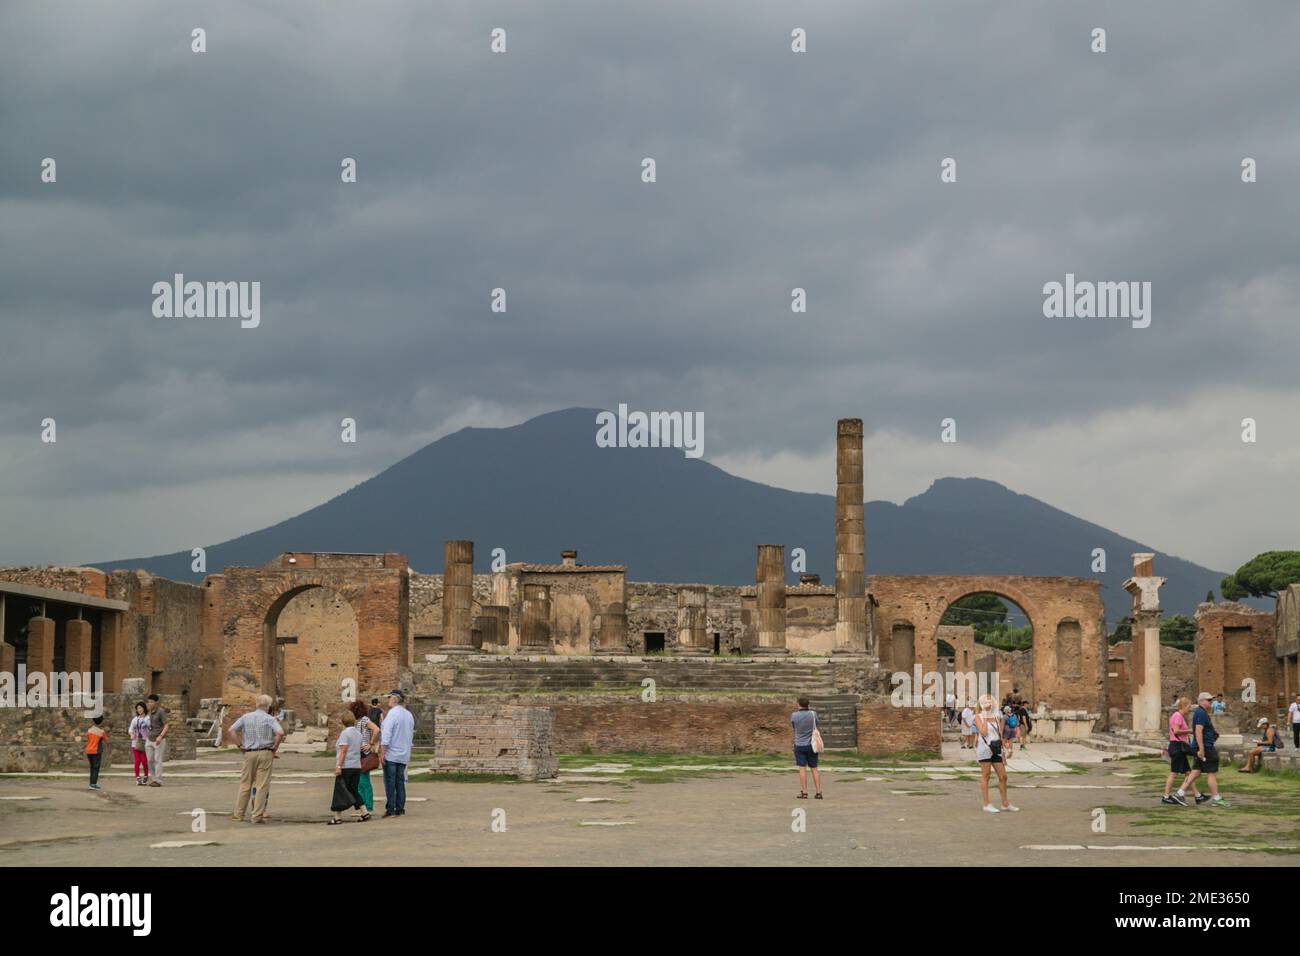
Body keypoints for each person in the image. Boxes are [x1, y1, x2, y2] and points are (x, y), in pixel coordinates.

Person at [228, 694, 284, 824]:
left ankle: (238, 814)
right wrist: (274, 748)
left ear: (256, 704)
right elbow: (280, 733)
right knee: (261, 785)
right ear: (269, 706)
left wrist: (240, 745)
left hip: (249, 752)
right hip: (265, 752)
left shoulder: (246, 717)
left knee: (245, 784)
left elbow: (231, 730)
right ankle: (257, 815)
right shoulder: (269, 719)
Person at [1182, 692, 1228, 807]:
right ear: (1201, 701)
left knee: (1196, 771)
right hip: (1206, 747)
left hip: (1203, 746)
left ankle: (1180, 792)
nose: (1210, 702)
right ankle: (1216, 798)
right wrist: (1201, 749)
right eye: (1208, 700)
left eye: (1210, 700)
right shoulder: (1201, 713)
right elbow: (1198, 731)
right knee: (1211, 773)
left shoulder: (1200, 713)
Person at [974, 694, 1017, 814]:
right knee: (986, 775)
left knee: (1003, 776)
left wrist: (1004, 752)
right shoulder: (978, 717)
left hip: (996, 749)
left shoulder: (996, 717)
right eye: (986, 701)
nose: (989, 703)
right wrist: (985, 716)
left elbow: (999, 735)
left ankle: (1005, 804)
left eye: (991, 701)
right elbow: (983, 732)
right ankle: (986, 804)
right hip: (984, 749)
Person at [379, 689, 415, 818]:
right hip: (404, 754)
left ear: (394, 699)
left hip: (392, 754)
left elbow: (387, 734)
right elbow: (410, 734)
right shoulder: (408, 715)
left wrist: (383, 752)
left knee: (390, 782)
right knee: (400, 781)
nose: (388, 700)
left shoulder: (392, 714)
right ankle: (400, 807)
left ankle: (391, 808)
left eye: (389, 697)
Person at [330, 710, 370, 824]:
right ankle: (364, 812)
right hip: (356, 766)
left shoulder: (345, 733)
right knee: (353, 790)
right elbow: (362, 748)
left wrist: (338, 766)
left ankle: (337, 817)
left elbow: (343, 751)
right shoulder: (358, 733)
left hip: (346, 766)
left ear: (343, 721)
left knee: (340, 790)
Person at [1162, 697, 1200, 805]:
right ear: (1183, 706)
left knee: (1188, 773)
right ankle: (1166, 796)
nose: (1190, 709)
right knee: (1174, 773)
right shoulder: (1178, 716)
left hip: (1178, 746)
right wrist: (1190, 731)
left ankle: (1197, 795)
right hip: (1177, 746)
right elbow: (1177, 731)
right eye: (1189, 706)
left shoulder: (1179, 716)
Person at [348, 699, 382, 814]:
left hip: (364, 753)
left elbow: (377, 729)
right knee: (358, 782)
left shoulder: (364, 720)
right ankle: (362, 807)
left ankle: (368, 807)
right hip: (358, 753)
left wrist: (371, 743)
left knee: (364, 781)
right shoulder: (357, 722)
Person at [790, 695, 823, 800]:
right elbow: (816, 724)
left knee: (802, 769)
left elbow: (794, 727)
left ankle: (804, 792)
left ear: (798, 705)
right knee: (814, 769)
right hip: (812, 745)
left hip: (799, 745)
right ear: (808, 705)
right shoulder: (813, 714)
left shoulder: (794, 715)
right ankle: (818, 793)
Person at [144, 694, 169, 787]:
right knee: (149, 760)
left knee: (157, 760)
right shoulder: (149, 712)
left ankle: (158, 781)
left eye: (151, 702)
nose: (149, 703)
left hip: (159, 739)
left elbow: (166, 725)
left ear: (156, 702)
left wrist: (161, 736)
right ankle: (153, 779)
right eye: (148, 701)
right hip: (149, 739)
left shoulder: (161, 712)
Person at [129, 701, 151, 786]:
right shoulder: (135, 719)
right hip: (136, 743)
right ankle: (137, 778)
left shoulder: (148, 719)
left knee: (144, 761)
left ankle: (146, 776)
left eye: (140, 708)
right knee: (137, 761)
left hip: (145, 742)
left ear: (144, 708)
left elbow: (151, 729)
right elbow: (130, 729)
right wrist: (131, 734)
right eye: (137, 708)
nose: (139, 710)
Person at [85, 716, 107, 791]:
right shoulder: (101, 732)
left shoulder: (89, 730)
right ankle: (93, 784)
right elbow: (106, 740)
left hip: (88, 751)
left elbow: (88, 738)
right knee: (96, 768)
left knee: (92, 767)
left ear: (93, 721)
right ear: (101, 722)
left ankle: (91, 783)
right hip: (96, 751)